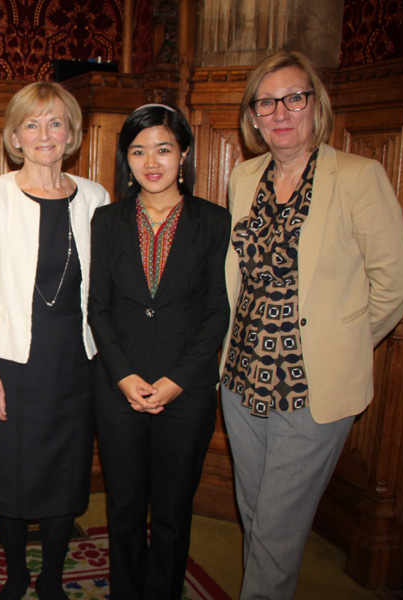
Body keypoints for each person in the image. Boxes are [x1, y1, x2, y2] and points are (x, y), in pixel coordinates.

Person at [221, 51, 403, 599]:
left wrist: (340, 344)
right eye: (266, 102)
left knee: (276, 531)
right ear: (253, 116)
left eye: (294, 98)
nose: (281, 112)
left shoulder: (358, 176)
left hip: (311, 388)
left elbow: (395, 284)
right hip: (240, 379)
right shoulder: (244, 177)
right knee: (256, 514)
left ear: (316, 105)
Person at [0, 81, 109, 600]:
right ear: (15, 136)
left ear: (71, 133)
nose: (44, 134)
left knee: (65, 474)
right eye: (32, 124)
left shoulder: (95, 196)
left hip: (76, 359)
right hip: (11, 357)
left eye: (55, 123)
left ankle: (50, 576)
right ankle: (16, 575)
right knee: (9, 472)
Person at [87, 104, 230, 599]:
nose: (151, 162)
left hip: (185, 391)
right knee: (124, 507)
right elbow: (98, 308)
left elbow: (217, 310)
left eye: (163, 149)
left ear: (183, 154)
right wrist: (124, 376)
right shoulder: (106, 220)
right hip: (118, 386)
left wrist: (178, 381)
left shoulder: (213, 221)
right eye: (138, 151)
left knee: (172, 511)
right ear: (126, 159)